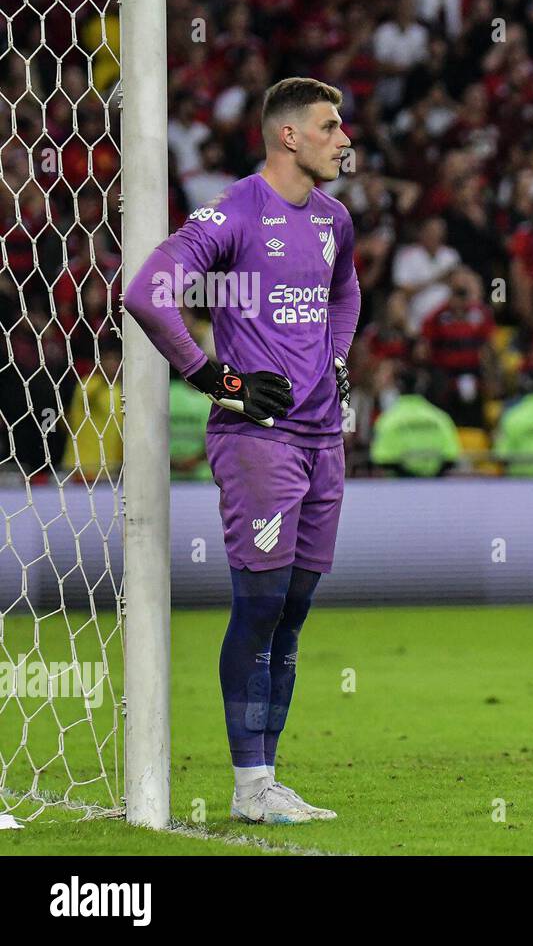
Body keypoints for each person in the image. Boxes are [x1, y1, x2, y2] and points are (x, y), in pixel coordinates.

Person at [122, 77, 358, 824]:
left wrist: (339, 357)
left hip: (325, 437)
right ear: (287, 135)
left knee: (292, 610)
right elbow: (148, 292)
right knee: (258, 607)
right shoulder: (233, 214)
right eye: (329, 126)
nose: (344, 139)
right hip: (258, 439)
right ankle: (249, 785)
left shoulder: (333, 219)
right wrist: (216, 379)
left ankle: (268, 782)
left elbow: (345, 292)